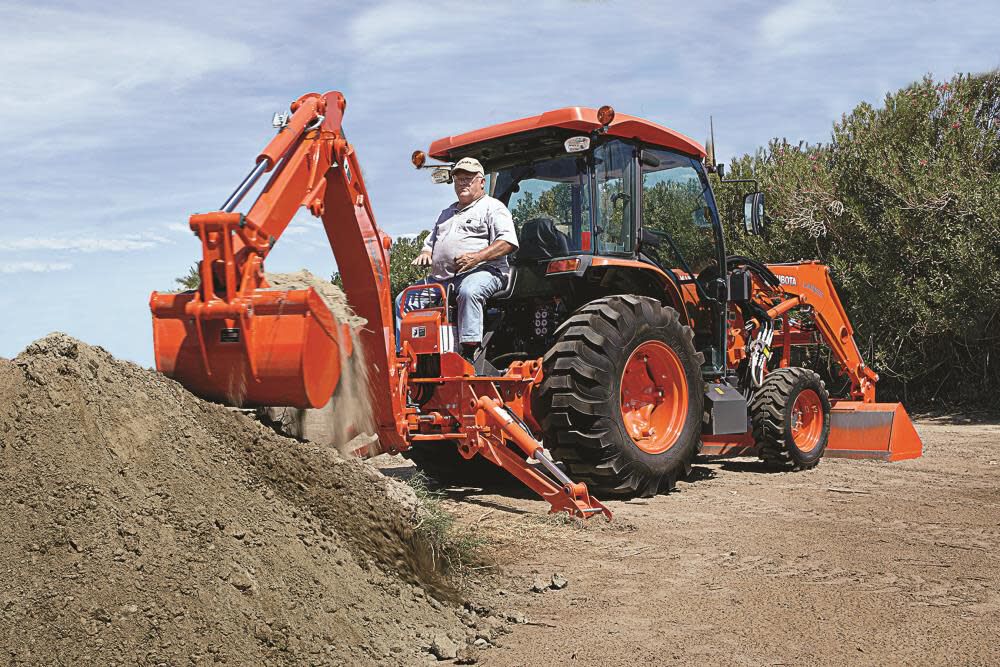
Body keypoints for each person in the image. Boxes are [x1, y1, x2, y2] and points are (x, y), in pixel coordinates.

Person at [398, 157, 518, 360]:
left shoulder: (492, 207)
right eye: (459, 179)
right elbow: (430, 243)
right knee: (404, 299)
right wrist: (425, 253)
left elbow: (508, 242)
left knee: (469, 291)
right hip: (441, 279)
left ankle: (468, 352)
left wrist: (477, 257)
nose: (462, 183)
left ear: (481, 182)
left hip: (484, 271)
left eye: (468, 179)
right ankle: (403, 354)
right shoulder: (447, 213)